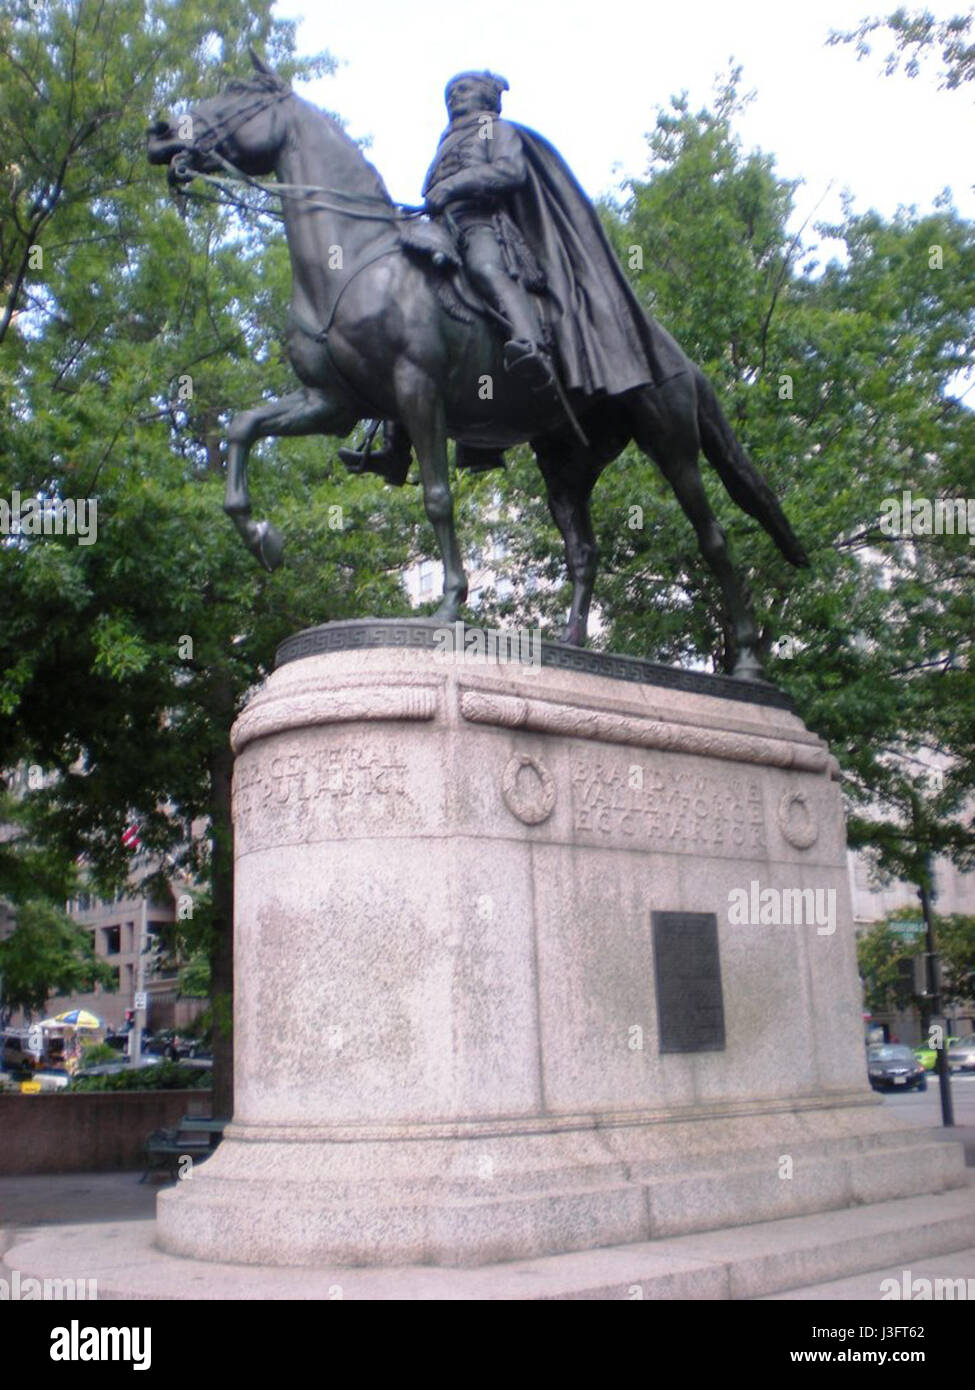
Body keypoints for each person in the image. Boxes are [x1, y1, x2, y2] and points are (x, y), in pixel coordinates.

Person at [338, 71, 686, 482]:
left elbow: (509, 172)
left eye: (462, 90)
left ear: (486, 98)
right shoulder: (446, 140)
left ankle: (531, 345)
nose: (454, 98)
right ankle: (395, 451)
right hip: (441, 230)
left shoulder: (494, 129)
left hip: (484, 227)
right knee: (408, 312)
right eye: (450, 93)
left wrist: (453, 187)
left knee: (486, 270)